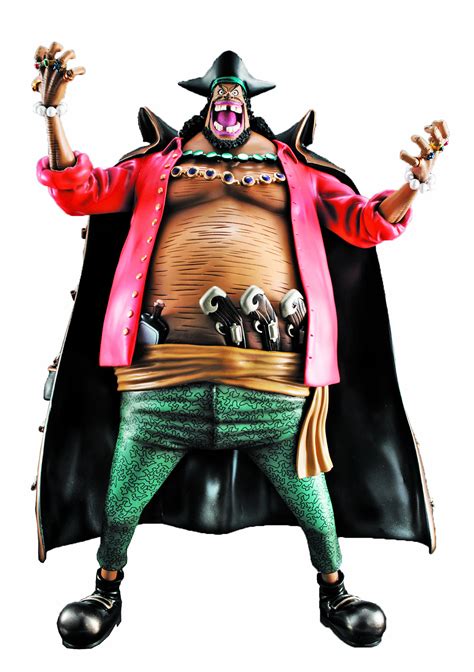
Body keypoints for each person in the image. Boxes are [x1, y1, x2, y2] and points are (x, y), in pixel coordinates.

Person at [33, 44, 447, 650]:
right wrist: (52, 116)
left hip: (273, 381)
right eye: (218, 94)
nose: (227, 101)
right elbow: (81, 190)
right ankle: (106, 586)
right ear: (206, 105)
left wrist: (412, 183)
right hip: (161, 378)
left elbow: (365, 223)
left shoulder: (294, 169)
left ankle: (334, 588)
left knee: (313, 500)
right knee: (121, 498)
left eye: (237, 95)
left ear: (249, 107)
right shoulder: (159, 165)